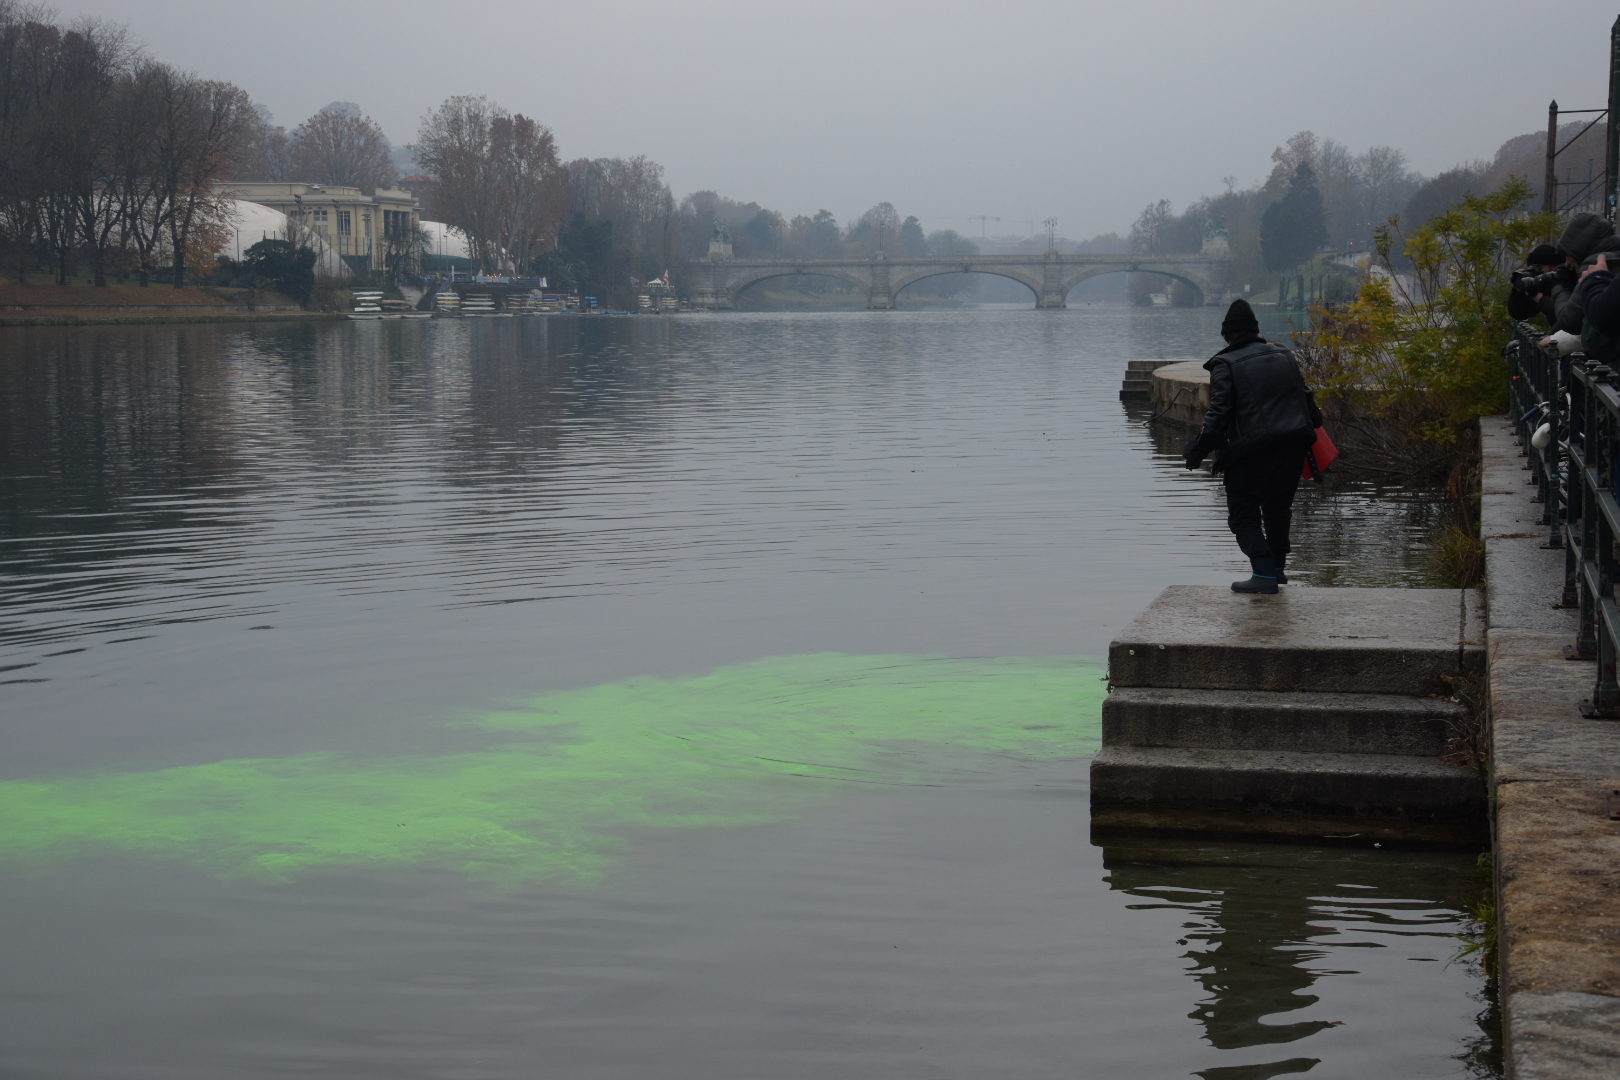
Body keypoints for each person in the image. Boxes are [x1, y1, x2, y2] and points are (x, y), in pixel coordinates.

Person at [1182, 299, 1323, 595]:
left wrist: (1199, 448)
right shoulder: (1285, 355)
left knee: (1243, 514)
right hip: (1294, 446)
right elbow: (1309, 402)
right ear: (1256, 332)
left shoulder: (1225, 363)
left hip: (1252, 451)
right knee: (1278, 509)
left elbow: (1219, 413)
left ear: (1225, 336)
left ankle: (1263, 573)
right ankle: (1278, 570)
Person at [1546, 213, 1620, 360]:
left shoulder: (1594, 263)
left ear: (1579, 248)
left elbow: (1569, 320)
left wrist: (1558, 287)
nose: (1566, 263)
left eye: (1568, 254)